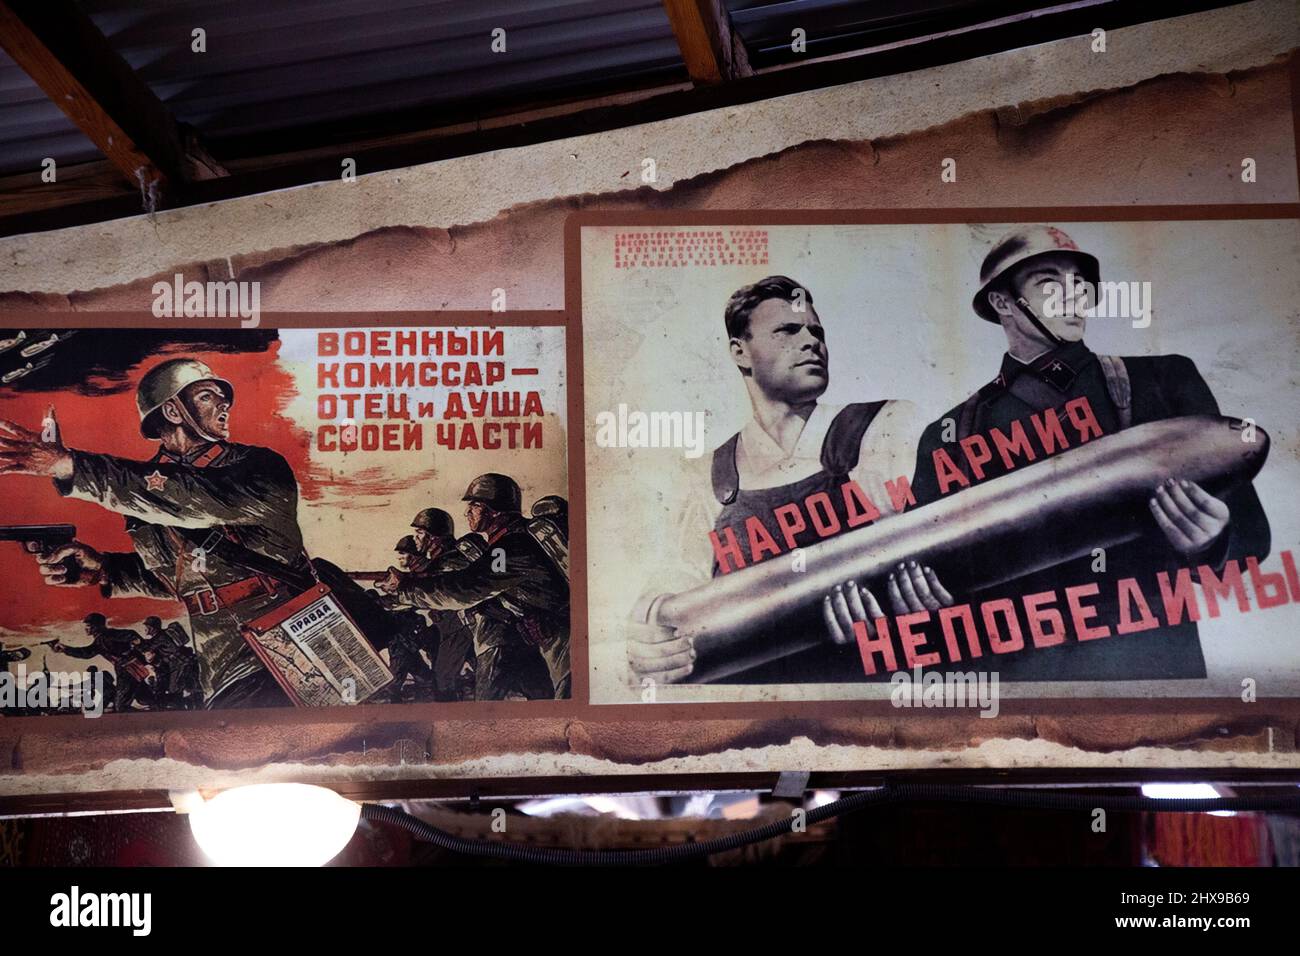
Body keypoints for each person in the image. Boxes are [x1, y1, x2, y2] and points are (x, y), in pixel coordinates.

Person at [883, 224, 1271, 680]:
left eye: (1079, 283)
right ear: (1002, 302)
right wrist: (918, 604)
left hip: (1149, 672)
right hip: (1017, 690)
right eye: (1049, 283)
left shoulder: (1164, 383)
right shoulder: (948, 435)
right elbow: (917, 575)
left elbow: (1253, 536)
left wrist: (1215, 539)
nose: (1072, 296)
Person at [628, 275, 944, 686]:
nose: (811, 341)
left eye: (816, 331)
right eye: (788, 330)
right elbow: (667, 599)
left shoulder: (883, 426)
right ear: (741, 353)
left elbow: (931, 552)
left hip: (869, 686)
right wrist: (648, 640)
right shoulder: (706, 477)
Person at [0, 358, 313, 708]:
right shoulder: (144, 491)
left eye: (222, 397)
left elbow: (191, 498)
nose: (224, 404)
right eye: (208, 396)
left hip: (291, 640)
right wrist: (107, 570)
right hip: (220, 659)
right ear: (173, 411)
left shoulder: (260, 470)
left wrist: (70, 466)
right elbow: (182, 577)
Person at [378, 473, 567, 699]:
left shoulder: (511, 546)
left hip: (560, 641)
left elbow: (466, 587)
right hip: (543, 639)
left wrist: (405, 588)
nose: (468, 512)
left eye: (475, 505)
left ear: (493, 509)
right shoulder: (507, 543)